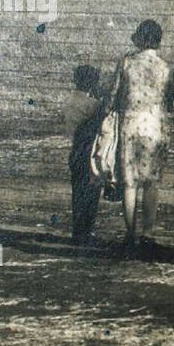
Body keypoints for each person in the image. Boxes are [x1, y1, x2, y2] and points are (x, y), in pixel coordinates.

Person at [108, 19, 174, 257]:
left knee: (130, 183)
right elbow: (170, 101)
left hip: (130, 126)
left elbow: (113, 95)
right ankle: (148, 234)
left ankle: (130, 234)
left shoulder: (126, 63)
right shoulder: (166, 68)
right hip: (155, 127)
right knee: (151, 182)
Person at [64, 64, 107, 245]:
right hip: (89, 152)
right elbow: (102, 118)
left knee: (77, 193)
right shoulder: (92, 105)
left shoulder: (71, 101)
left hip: (75, 151)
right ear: (93, 83)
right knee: (92, 192)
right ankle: (86, 232)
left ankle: (77, 231)